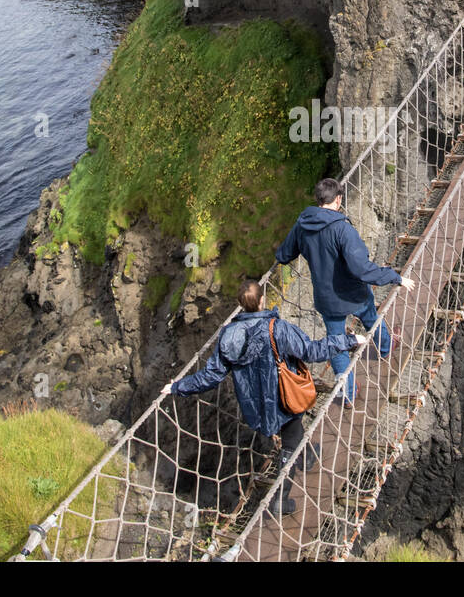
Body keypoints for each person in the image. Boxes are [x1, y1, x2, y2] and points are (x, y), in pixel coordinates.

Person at [163, 279, 360, 516]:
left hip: (254, 406)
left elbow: (211, 376)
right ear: (262, 301)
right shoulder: (277, 328)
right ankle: (280, 498)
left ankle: (306, 457)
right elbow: (312, 351)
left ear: (240, 305)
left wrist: (178, 386)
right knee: (290, 438)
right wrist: (348, 341)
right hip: (285, 397)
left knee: (292, 431)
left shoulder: (228, 336)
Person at [275, 177, 415, 406]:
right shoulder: (342, 229)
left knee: (336, 343)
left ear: (318, 200)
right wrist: (394, 277)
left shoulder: (303, 224)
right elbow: (361, 269)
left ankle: (347, 392)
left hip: (326, 300)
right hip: (354, 294)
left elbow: (283, 255)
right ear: (338, 200)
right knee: (371, 318)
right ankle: (386, 348)